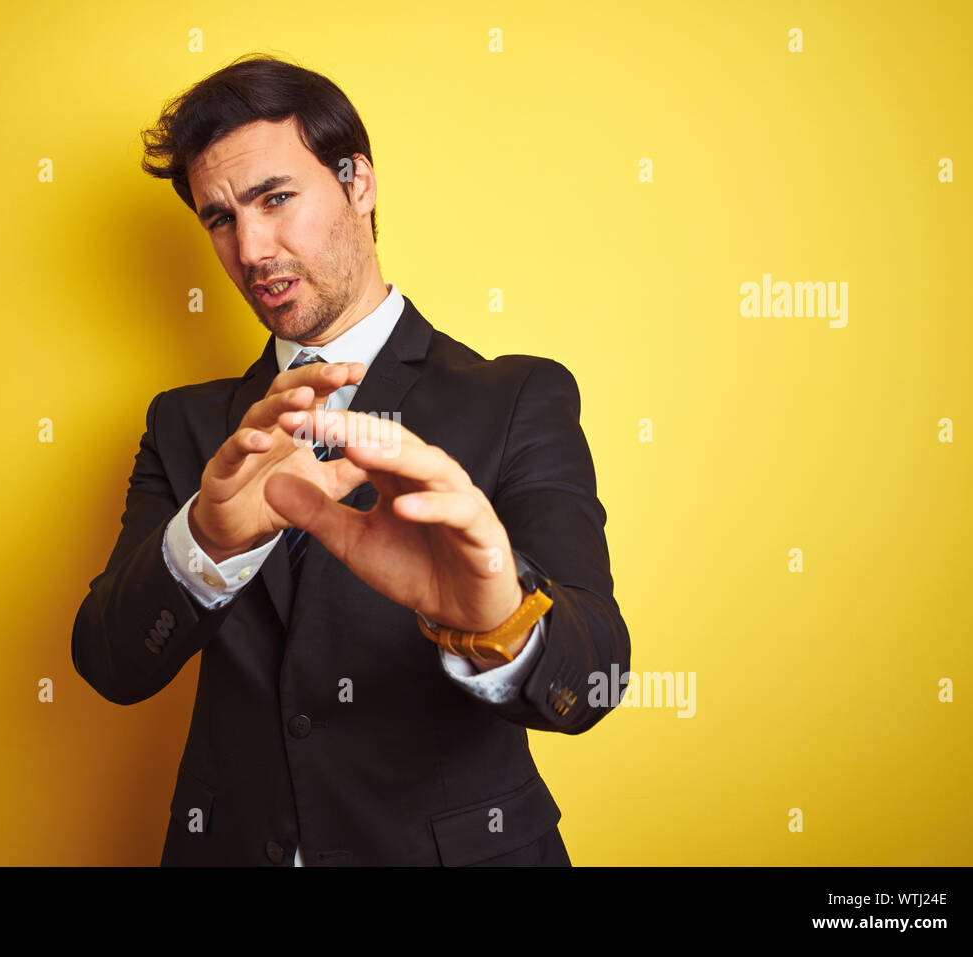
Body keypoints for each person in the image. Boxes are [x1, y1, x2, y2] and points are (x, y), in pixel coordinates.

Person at [71, 53, 631, 866]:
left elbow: (597, 676)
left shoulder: (517, 397)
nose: (252, 248)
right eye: (220, 219)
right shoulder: (184, 426)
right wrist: (207, 548)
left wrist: (498, 618)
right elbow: (112, 663)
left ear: (357, 183)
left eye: (276, 198)